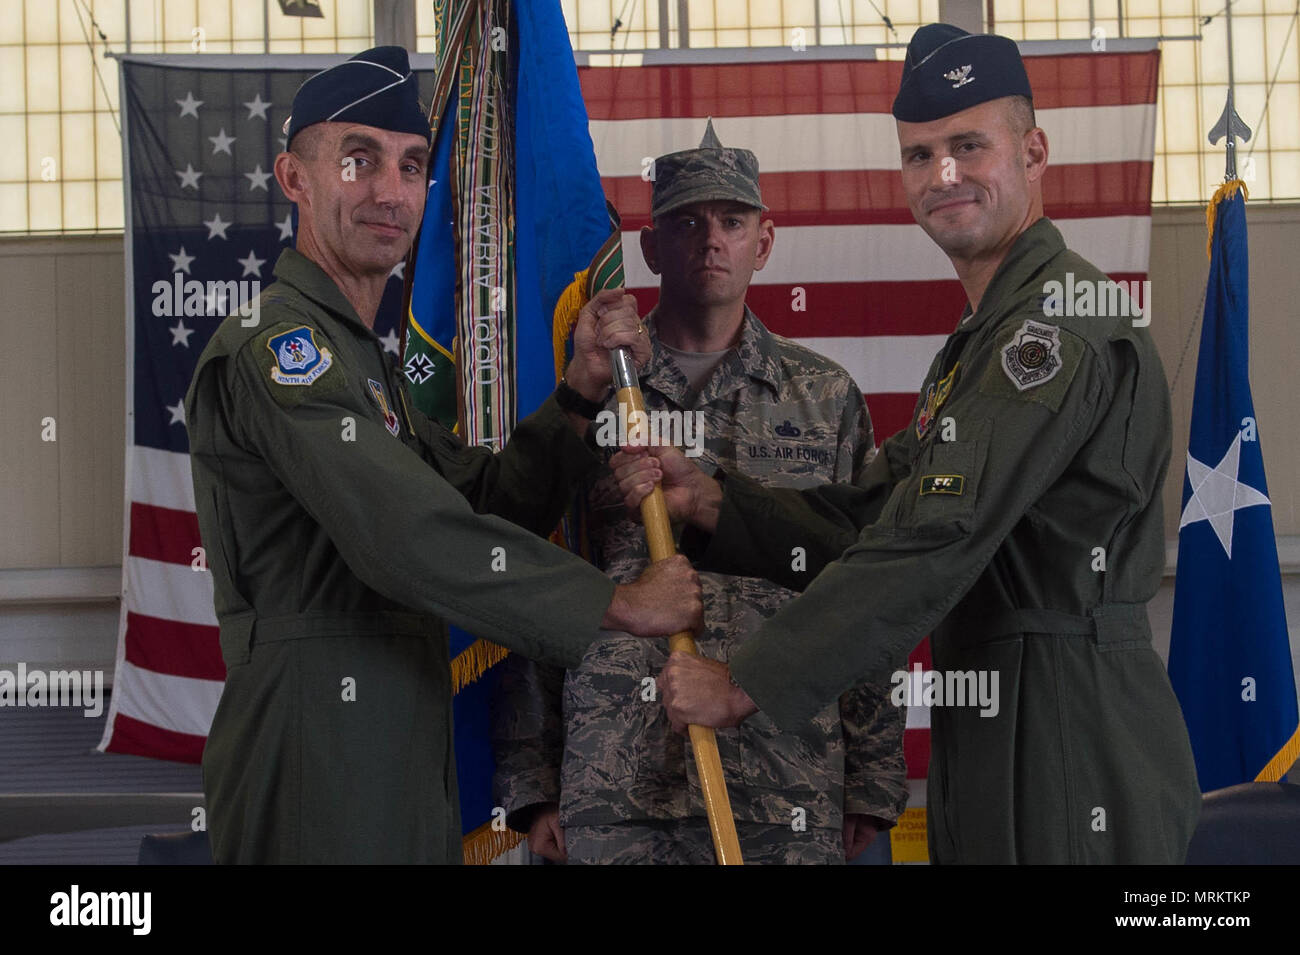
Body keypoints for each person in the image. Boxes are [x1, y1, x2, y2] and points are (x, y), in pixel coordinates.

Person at [615, 25, 1201, 864]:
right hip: (1000, 715)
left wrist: (747, 681)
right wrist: (710, 499)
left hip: (1070, 725)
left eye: (969, 146)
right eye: (920, 155)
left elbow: (938, 535)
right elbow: (873, 520)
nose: (944, 176)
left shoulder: (1053, 325)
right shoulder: (984, 340)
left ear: (1034, 152)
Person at [183, 46, 701, 864]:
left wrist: (575, 395)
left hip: (399, 742)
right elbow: (409, 533)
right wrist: (621, 604)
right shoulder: (281, 350)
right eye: (359, 160)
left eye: (413, 165)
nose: (391, 192)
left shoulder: (362, 362)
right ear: (294, 178)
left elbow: (479, 502)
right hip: (314, 751)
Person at [492, 122, 907, 865]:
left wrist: (870, 778)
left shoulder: (824, 396)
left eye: (732, 220)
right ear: (651, 248)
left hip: (788, 771)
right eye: (685, 221)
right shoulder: (593, 392)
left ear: (765, 239)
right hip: (614, 778)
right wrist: (535, 778)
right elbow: (536, 572)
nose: (710, 240)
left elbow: (863, 578)